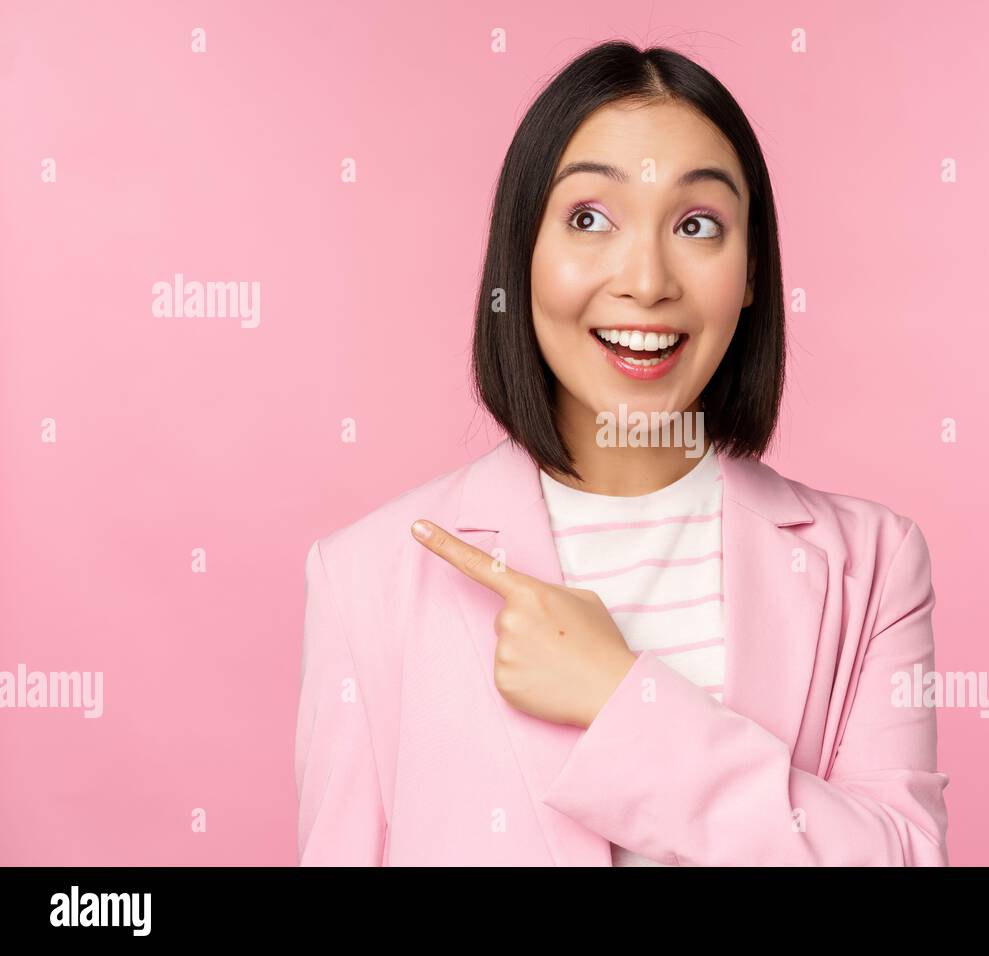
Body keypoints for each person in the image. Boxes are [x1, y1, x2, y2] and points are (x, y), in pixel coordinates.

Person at [294, 39, 950, 866]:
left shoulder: (874, 564)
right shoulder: (366, 579)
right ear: (520, 253)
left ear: (751, 271)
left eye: (697, 224)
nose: (646, 279)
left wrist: (619, 700)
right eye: (589, 219)